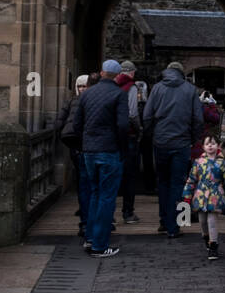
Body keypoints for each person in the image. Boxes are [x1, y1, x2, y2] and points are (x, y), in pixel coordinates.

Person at [71, 59, 130, 258]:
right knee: (106, 198)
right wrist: (123, 148)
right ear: (118, 75)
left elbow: (77, 124)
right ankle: (100, 245)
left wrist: (85, 142)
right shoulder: (118, 95)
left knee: (94, 194)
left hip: (89, 151)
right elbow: (123, 126)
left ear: (102, 72)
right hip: (109, 150)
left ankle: (90, 237)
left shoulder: (87, 94)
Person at [142, 60, 203, 239]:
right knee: (180, 183)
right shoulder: (190, 90)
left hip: (161, 141)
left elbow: (147, 116)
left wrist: (152, 135)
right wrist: (193, 139)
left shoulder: (157, 88)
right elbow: (198, 119)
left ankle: (164, 220)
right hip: (181, 142)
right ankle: (176, 224)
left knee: (163, 182)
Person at [182, 133, 225, 261]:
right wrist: (187, 196)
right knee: (202, 222)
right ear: (203, 147)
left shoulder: (222, 163)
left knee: (212, 221)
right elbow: (191, 180)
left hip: (216, 196)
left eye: (213, 143)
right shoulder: (198, 162)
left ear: (218, 146)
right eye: (207, 144)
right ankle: (206, 238)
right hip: (201, 196)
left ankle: (213, 245)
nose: (210, 146)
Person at [57, 74, 90, 238]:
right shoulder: (81, 102)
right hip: (85, 147)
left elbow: (60, 122)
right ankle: (89, 220)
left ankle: (85, 220)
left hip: (78, 147)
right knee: (89, 183)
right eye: (80, 86)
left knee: (84, 183)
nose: (83, 89)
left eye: (85, 86)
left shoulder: (71, 102)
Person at [114, 60, 143, 224]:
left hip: (113, 136)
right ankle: (128, 212)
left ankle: (109, 216)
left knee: (113, 175)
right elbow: (132, 113)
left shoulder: (113, 85)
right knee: (130, 175)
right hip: (129, 135)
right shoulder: (131, 87)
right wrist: (139, 129)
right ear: (132, 72)